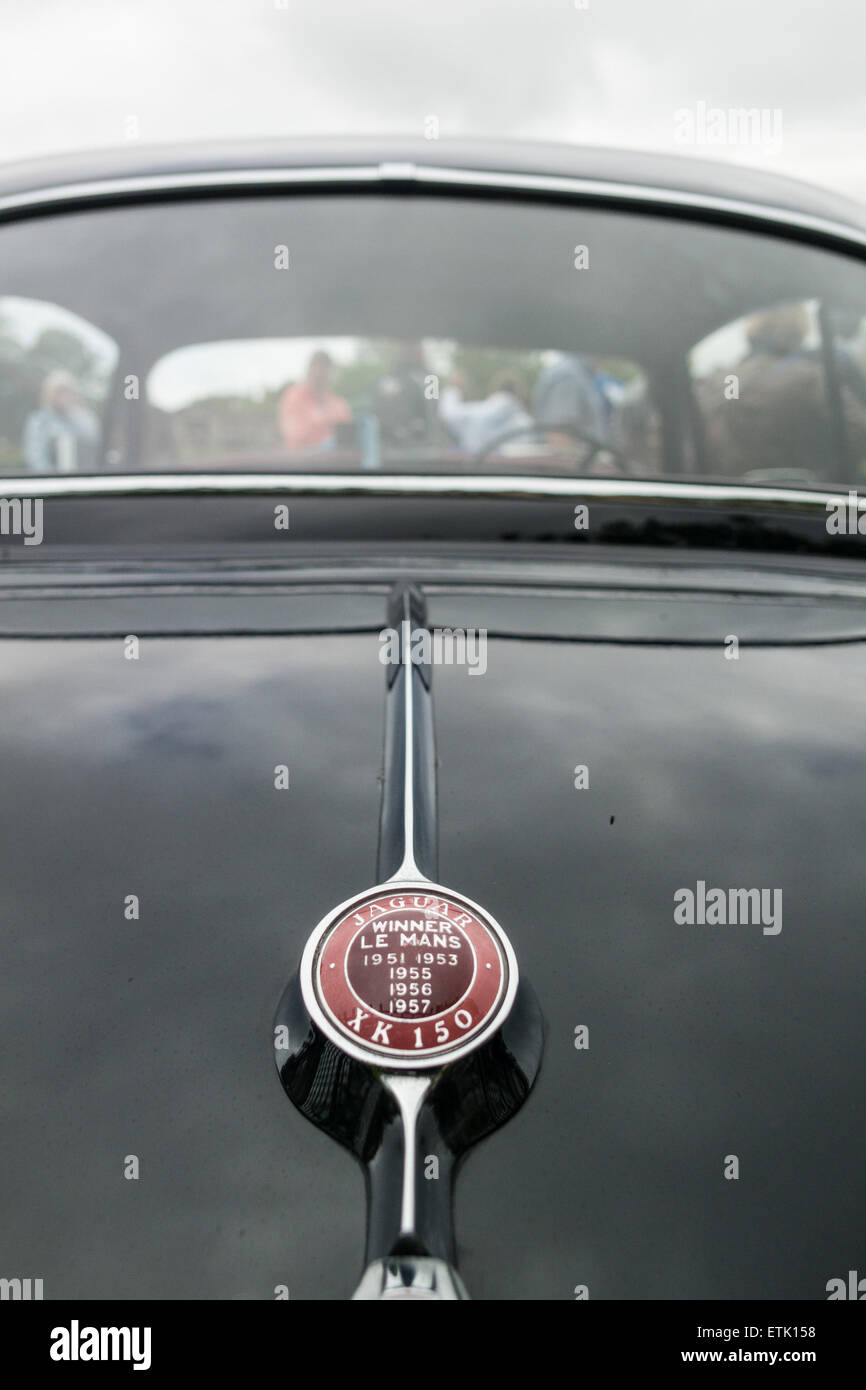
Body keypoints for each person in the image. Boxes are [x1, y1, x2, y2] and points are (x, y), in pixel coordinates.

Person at [23, 369, 100, 473]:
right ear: (49, 394)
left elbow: (95, 443)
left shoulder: (85, 418)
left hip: (85, 479)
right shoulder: (39, 422)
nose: (63, 397)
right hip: (51, 482)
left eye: (67, 392)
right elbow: (35, 457)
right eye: (58, 392)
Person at [439, 370, 533, 454]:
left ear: (495, 390)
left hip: (476, 470)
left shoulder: (478, 412)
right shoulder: (527, 423)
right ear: (519, 394)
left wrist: (454, 388)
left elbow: (449, 415)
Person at [278, 350, 352, 452]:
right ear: (309, 369)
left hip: (336, 463)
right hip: (302, 463)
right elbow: (294, 435)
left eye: (325, 367)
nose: (321, 372)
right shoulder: (293, 397)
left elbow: (348, 437)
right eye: (317, 366)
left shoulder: (339, 404)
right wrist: (328, 426)